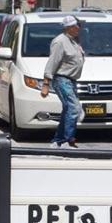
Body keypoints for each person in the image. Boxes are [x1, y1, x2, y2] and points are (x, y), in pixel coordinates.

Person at [40, 14, 85, 147]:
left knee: (68, 110)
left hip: (71, 80)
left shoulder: (74, 41)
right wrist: (46, 83)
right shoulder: (60, 41)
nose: (78, 28)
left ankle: (58, 140)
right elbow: (52, 63)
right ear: (68, 28)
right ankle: (68, 140)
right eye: (75, 26)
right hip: (62, 79)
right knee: (73, 108)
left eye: (78, 25)